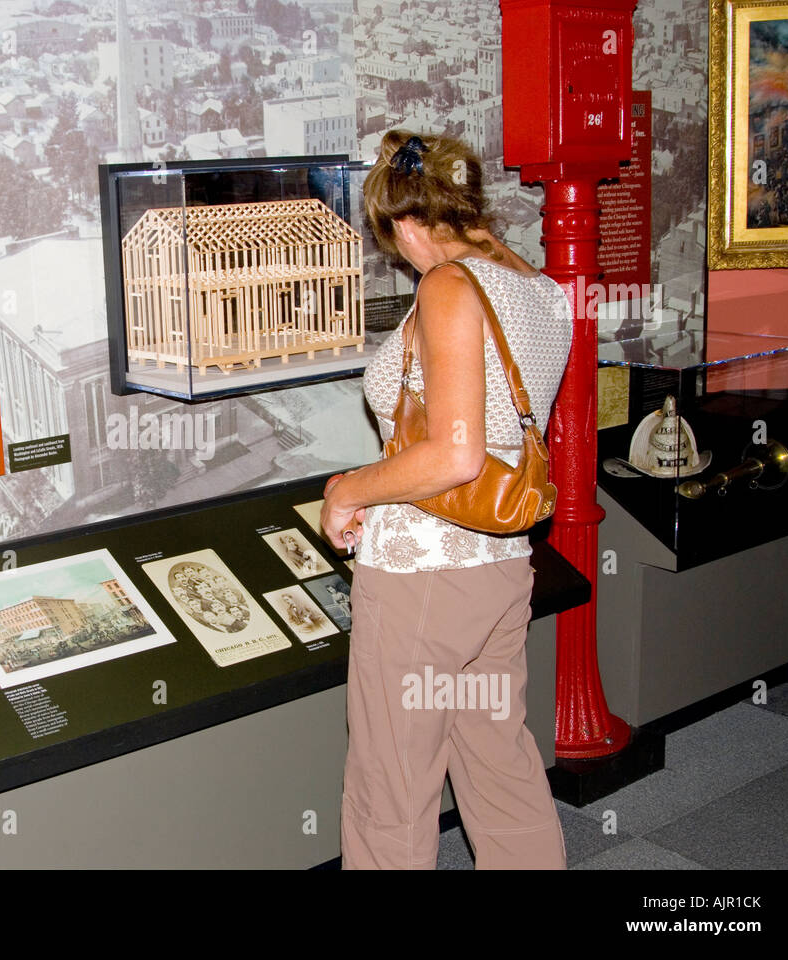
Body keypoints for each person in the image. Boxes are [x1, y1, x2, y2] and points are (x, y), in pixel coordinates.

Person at [321, 130, 573, 869]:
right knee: (499, 764)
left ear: (402, 222)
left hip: (423, 577)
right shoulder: (541, 287)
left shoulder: (448, 286)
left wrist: (347, 490)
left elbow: (455, 455)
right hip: (499, 564)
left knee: (390, 789)